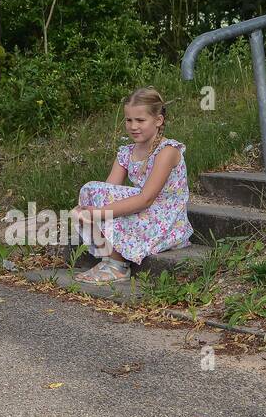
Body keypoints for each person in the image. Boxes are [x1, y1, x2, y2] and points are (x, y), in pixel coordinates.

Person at [71, 87, 193, 284]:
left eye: (140, 120)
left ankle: (118, 265)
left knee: (106, 208)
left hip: (164, 219)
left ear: (158, 120)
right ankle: (108, 258)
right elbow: (107, 190)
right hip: (144, 211)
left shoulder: (167, 151)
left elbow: (146, 199)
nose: (133, 126)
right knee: (91, 190)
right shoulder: (126, 153)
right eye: (129, 120)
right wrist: (87, 208)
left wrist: (97, 213)